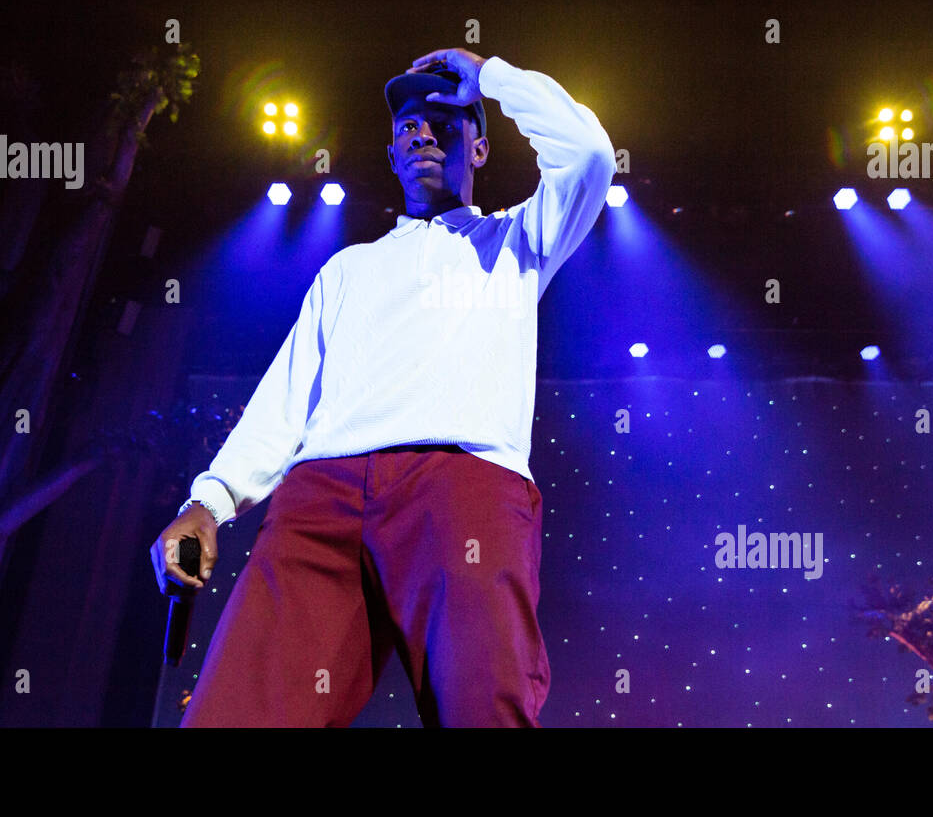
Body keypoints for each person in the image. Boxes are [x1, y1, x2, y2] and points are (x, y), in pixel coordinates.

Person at [150, 47, 616, 726]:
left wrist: (488, 75)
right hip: (320, 500)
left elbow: (590, 155)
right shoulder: (347, 270)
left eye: (442, 119)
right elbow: (286, 400)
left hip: (462, 488)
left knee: (485, 710)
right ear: (392, 155)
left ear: (479, 147)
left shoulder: (516, 243)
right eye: (406, 126)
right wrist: (208, 499)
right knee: (235, 714)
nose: (421, 131)